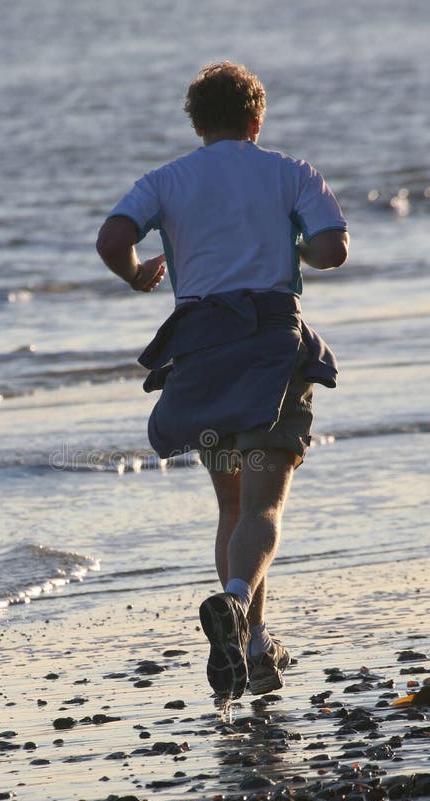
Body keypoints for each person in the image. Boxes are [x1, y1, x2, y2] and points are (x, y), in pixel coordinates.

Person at [96, 61, 349, 700]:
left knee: (231, 505)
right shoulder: (290, 172)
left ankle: (253, 645)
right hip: (269, 342)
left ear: (197, 123)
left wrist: (134, 274)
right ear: (256, 120)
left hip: (201, 351)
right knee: (264, 503)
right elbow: (331, 250)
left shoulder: (166, 179)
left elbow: (112, 237)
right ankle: (237, 604)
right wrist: (298, 250)